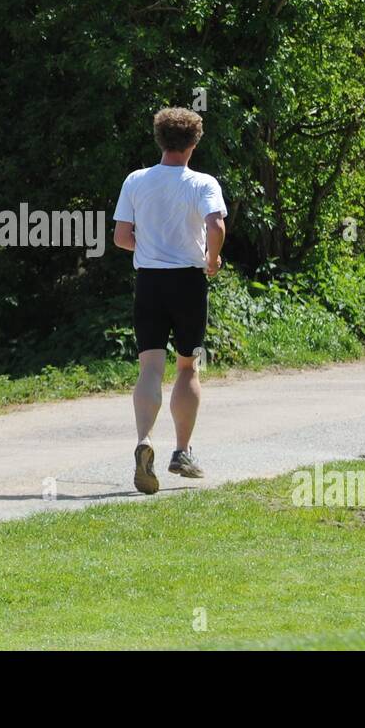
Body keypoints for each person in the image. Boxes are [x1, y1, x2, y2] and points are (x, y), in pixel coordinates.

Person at [112, 107, 227, 495]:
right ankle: (181, 451)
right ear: (193, 143)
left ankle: (144, 440)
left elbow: (122, 237)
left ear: (160, 140)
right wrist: (212, 260)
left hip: (148, 282)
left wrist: (147, 246)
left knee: (149, 368)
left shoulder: (136, 180)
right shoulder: (202, 183)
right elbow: (216, 225)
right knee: (187, 367)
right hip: (187, 283)